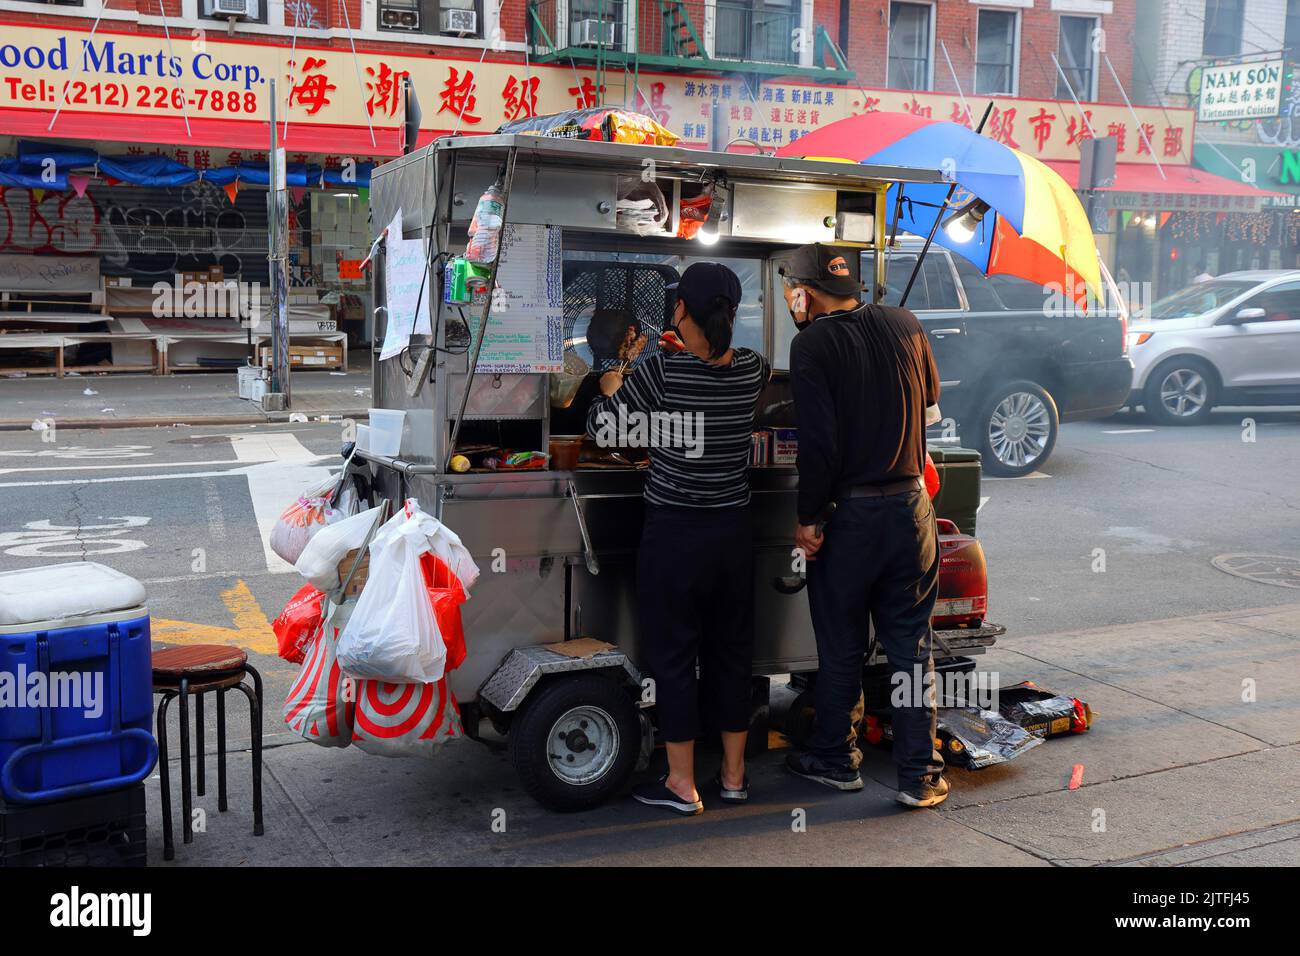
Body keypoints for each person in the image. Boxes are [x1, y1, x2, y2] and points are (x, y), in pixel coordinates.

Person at [586, 262, 769, 816]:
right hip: (733, 535)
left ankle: (682, 783)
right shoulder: (753, 370)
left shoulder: (660, 369)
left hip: (675, 535)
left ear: (680, 310)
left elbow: (604, 427)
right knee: (731, 654)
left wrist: (614, 383)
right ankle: (734, 777)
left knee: (673, 656)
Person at [780, 243, 949, 809]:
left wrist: (809, 518)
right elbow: (929, 413)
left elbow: (819, 447)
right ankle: (919, 776)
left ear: (804, 293)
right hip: (910, 508)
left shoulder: (811, 345)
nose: (788, 300)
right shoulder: (906, 322)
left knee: (842, 645)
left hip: (851, 517)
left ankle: (835, 759)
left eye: (788, 290)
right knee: (909, 646)